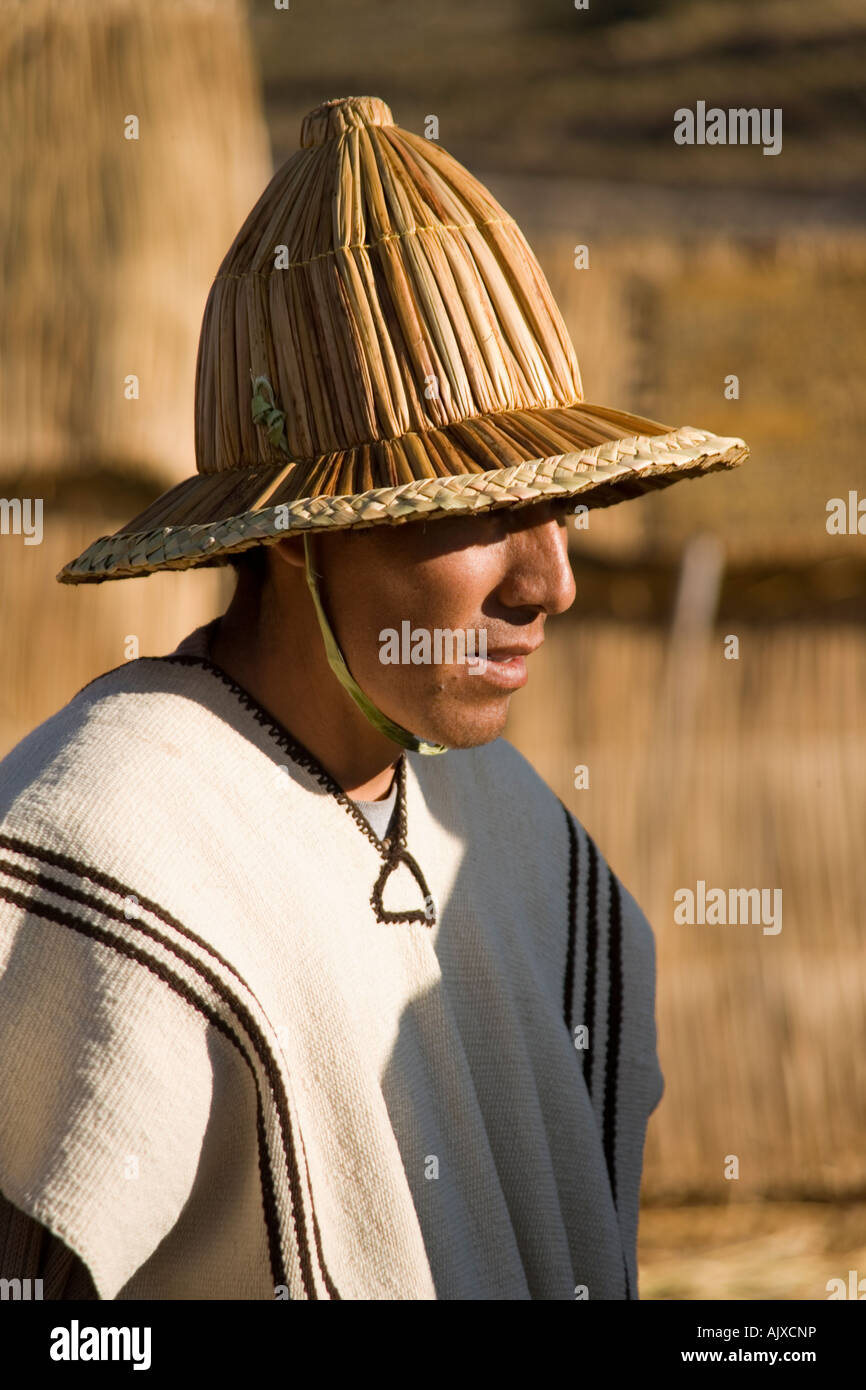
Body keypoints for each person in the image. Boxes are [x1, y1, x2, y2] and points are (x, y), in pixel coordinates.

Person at [0, 96, 747, 1300]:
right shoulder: (106, 845)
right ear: (300, 534)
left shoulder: (515, 837)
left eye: (558, 507)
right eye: (476, 512)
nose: (549, 580)